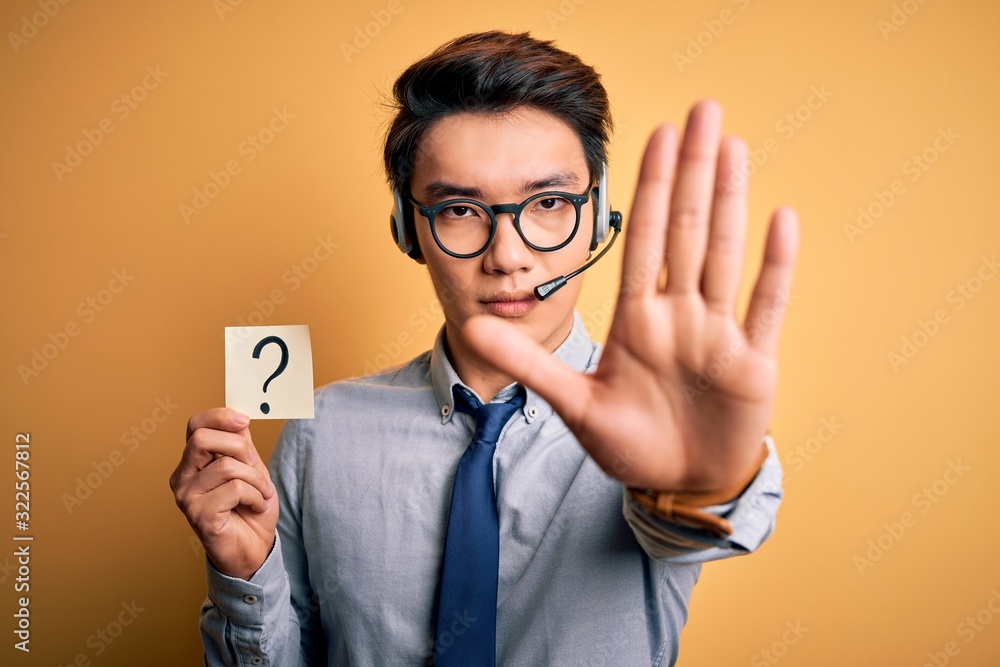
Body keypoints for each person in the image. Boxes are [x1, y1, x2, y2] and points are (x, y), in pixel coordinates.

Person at [170, 30, 799, 666]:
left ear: (599, 213)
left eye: (549, 203)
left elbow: (711, 521)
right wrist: (244, 574)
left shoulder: (659, 419)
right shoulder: (323, 431)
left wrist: (699, 482)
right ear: (406, 225)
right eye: (461, 210)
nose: (507, 257)